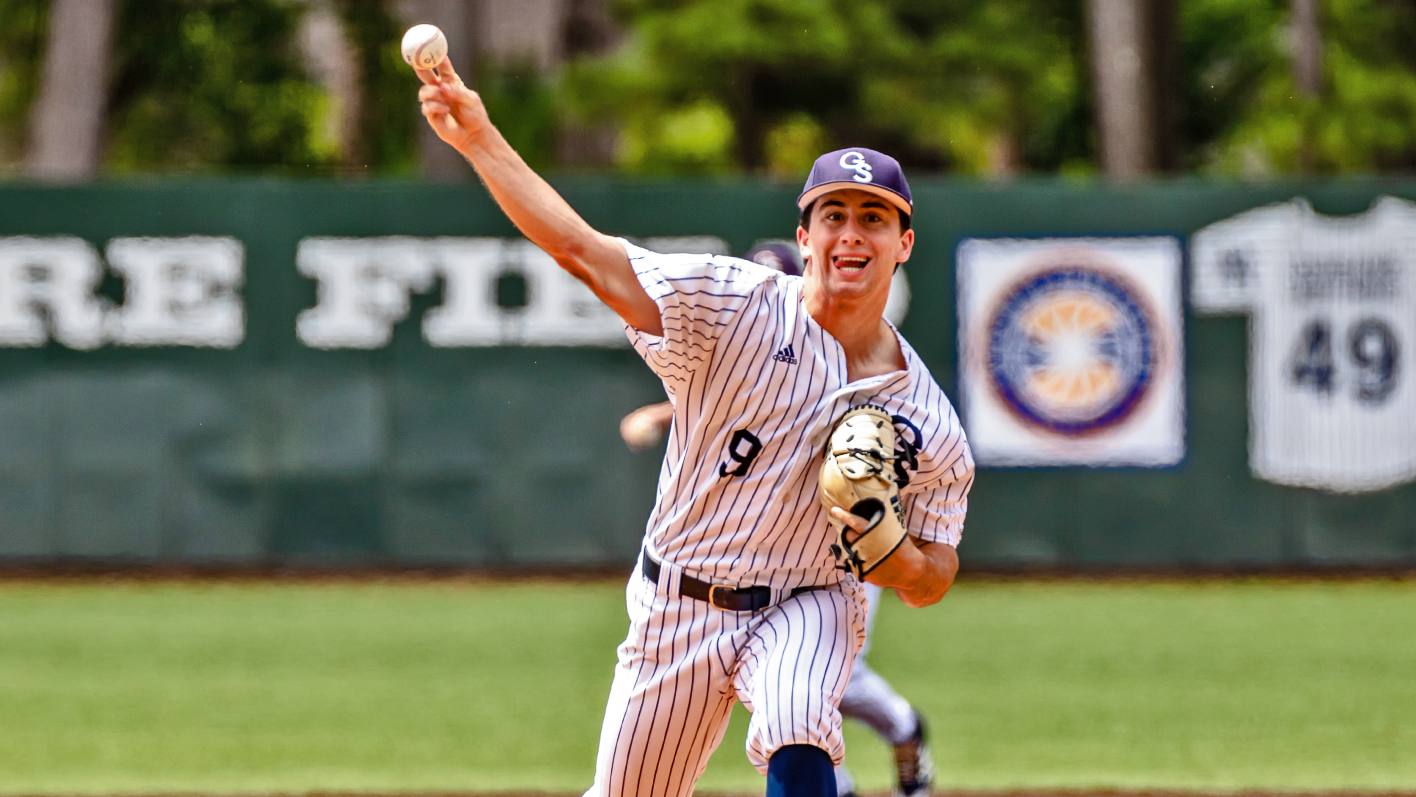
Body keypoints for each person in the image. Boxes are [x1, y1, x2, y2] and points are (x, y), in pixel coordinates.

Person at [415, 58, 974, 797]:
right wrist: (481, 138)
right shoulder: (729, 304)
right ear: (803, 237)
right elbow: (582, 251)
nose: (851, 234)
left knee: (800, 721)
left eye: (874, 217)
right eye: (833, 215)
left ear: (903, 243)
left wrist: (894, 554)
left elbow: (933, 575)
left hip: (809, 597)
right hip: (677, 603)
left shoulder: (927, 415)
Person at [620, 243, 937, 797]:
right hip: (765, 553)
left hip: (842, 549)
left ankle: (901, 731)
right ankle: (836, 777)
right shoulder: (750, 343)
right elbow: (745, 388)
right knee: (787, 686)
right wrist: (666, 411)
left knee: (828, 677)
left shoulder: (851, 351)